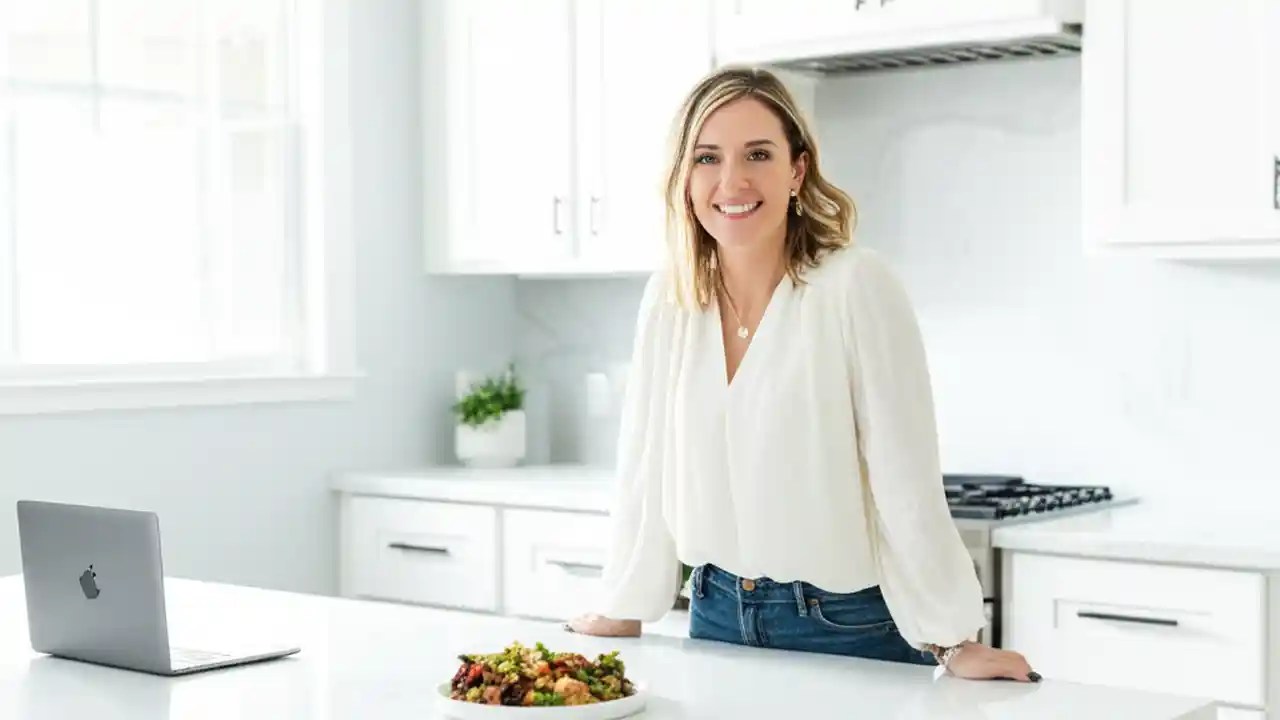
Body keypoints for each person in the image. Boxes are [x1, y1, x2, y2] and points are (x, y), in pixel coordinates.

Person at [566, 66, 1038, 683]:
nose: (731, 180)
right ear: (684, 178)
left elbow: (904, 477)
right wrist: (624, 604)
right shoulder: (672, 299)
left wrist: (952, 638)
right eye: (707, 157)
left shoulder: (853, 286)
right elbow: (644, 467)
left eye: (757, 154)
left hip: (847, 626)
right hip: (714, 618)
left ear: (797, 170)